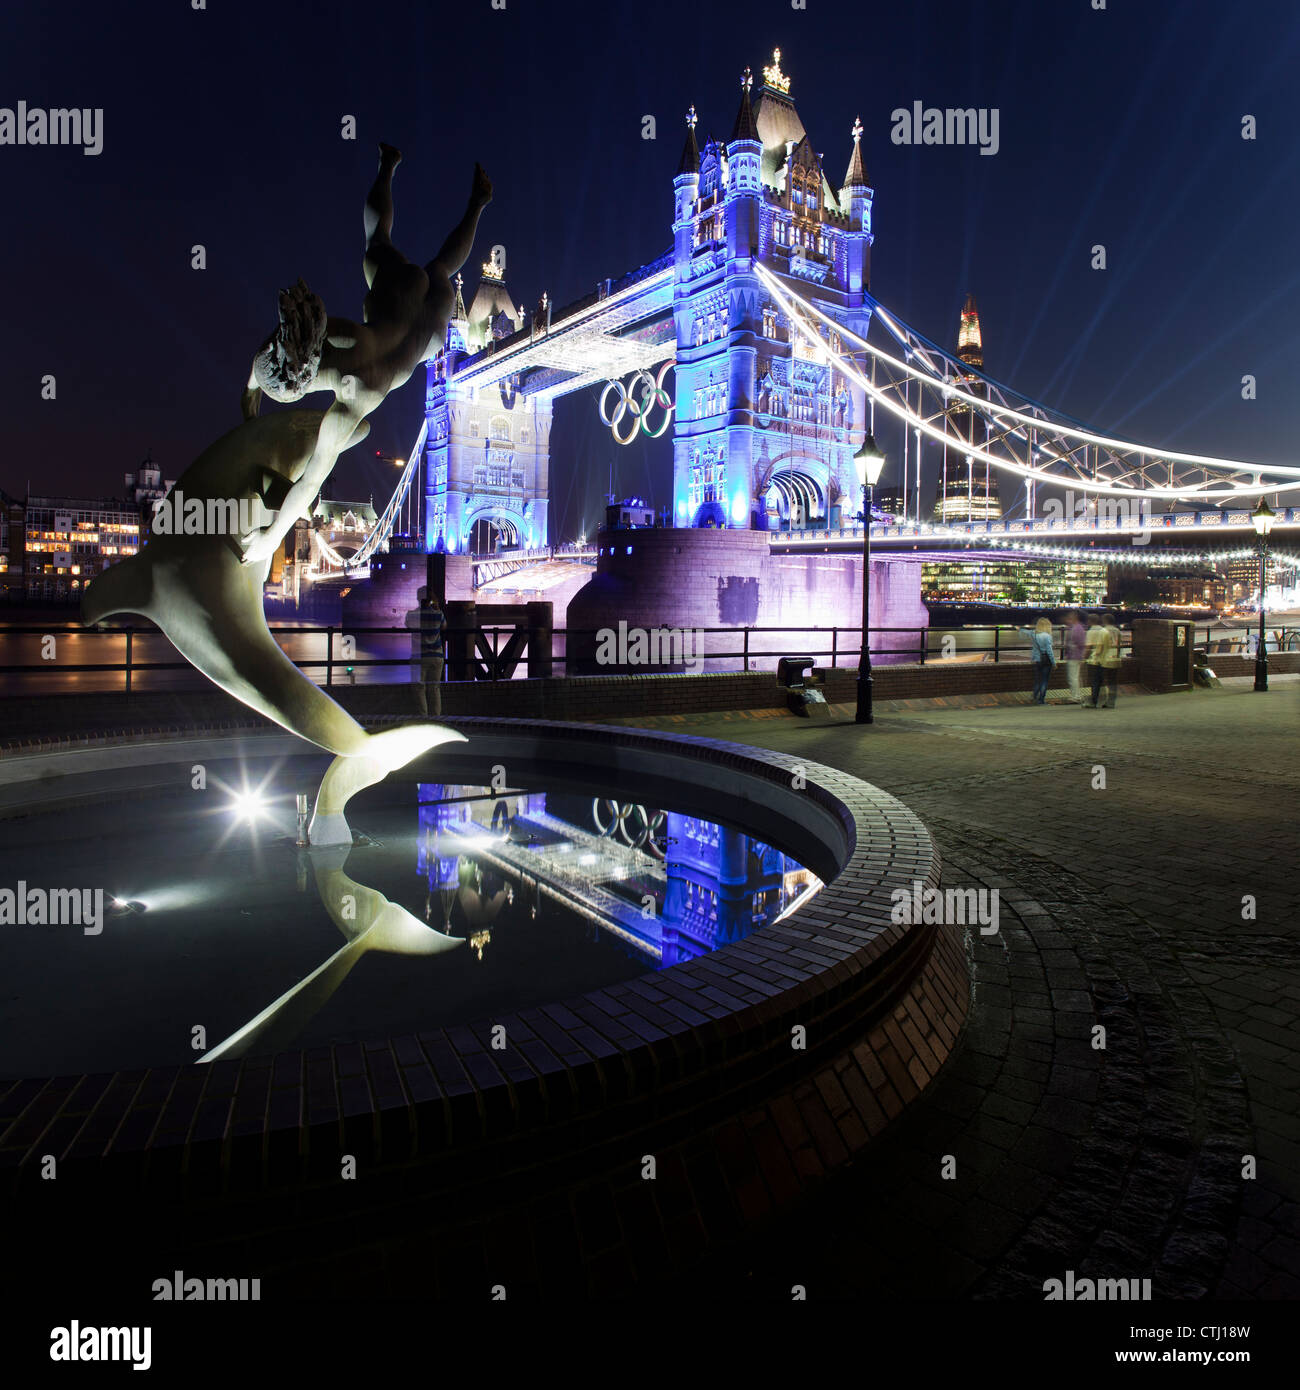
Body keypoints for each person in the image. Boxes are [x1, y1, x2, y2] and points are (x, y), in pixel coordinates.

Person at [406, 587, 447, 716]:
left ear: (418, 599)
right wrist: (437, 607)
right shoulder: (438, 614)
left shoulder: (412, 615)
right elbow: (444, 626)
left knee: (419, 689)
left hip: (419, 656)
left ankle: (424, 717)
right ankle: (437, 717)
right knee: (434, 688)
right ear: (431, 600)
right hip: (437, 656)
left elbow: (407, 625)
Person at [1017, 616, 1056, 704]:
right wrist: (1053, 662)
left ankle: (1034, 696)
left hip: (1037, 659)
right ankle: (1041, 700)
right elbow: (1049, 651)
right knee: (1044, 681)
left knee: (1037, 679)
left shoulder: (1033, 634)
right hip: (1046, 661)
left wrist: (1019, 628)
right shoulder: (1047, 636)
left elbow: (1025, 632)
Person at [1097, 611, 1122, 708]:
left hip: (1105, 658)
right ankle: (1112, 700)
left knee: (1104, 680)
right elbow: (1119, 644)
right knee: (1113, 680)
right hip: (1115, 657)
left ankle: (1103, 700)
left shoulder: (1103, 631)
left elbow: (1100, 646)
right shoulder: (1117, 631)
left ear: (1105, 621)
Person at [1064, 610, 1087, 705]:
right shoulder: (1079, 628)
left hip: (1074, 656)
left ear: (1074, 618)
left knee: (1072, 677)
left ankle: (1075, 696)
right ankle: (1077, 695)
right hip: (1077, 656)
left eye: (1070, 618)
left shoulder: (1076, 629)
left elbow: (1079, 643)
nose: (1068, 620)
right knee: (1076, 677)